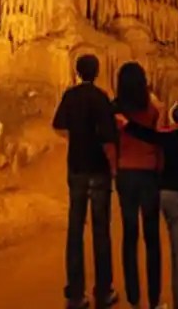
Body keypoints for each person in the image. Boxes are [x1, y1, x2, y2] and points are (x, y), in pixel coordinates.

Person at [116, 100, 178, 309]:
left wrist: (126, 123)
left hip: (162, 194)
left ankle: (150, 298)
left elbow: (147, 135)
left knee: (158, 243)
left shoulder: (167, 136)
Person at [53, 54, 121, 309]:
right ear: (97, 71)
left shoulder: (70, 96)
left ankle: (75, 295)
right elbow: (107, 138)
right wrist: (113, 166)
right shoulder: (101, 98)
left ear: (78, 72)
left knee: (75, 230)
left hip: (77, 169)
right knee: (101, 231)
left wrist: (75, 139)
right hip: (99, 170)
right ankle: (103, 291)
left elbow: (58, 126)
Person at [112, 61, 163, 309]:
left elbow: (111, 143)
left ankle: (134, 298)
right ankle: (154, 300)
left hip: (125, 173)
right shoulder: (152, 109)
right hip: (149, 174)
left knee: (129, 235)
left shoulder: (116, 110)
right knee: (152, 238)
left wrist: (114, 168)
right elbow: (159, 140)